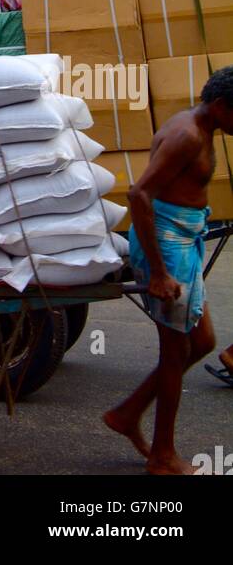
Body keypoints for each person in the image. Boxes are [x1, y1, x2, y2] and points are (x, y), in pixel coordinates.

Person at [103, 64, 233, 474]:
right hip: (166, 244)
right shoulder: (187, 135)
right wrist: (158, 272)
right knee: (176, 350)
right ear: (220, 105)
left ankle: (128, 414)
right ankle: (162, 456)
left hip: (184, 240)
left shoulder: (203, 128)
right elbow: (139, 194)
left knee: (203, 341)